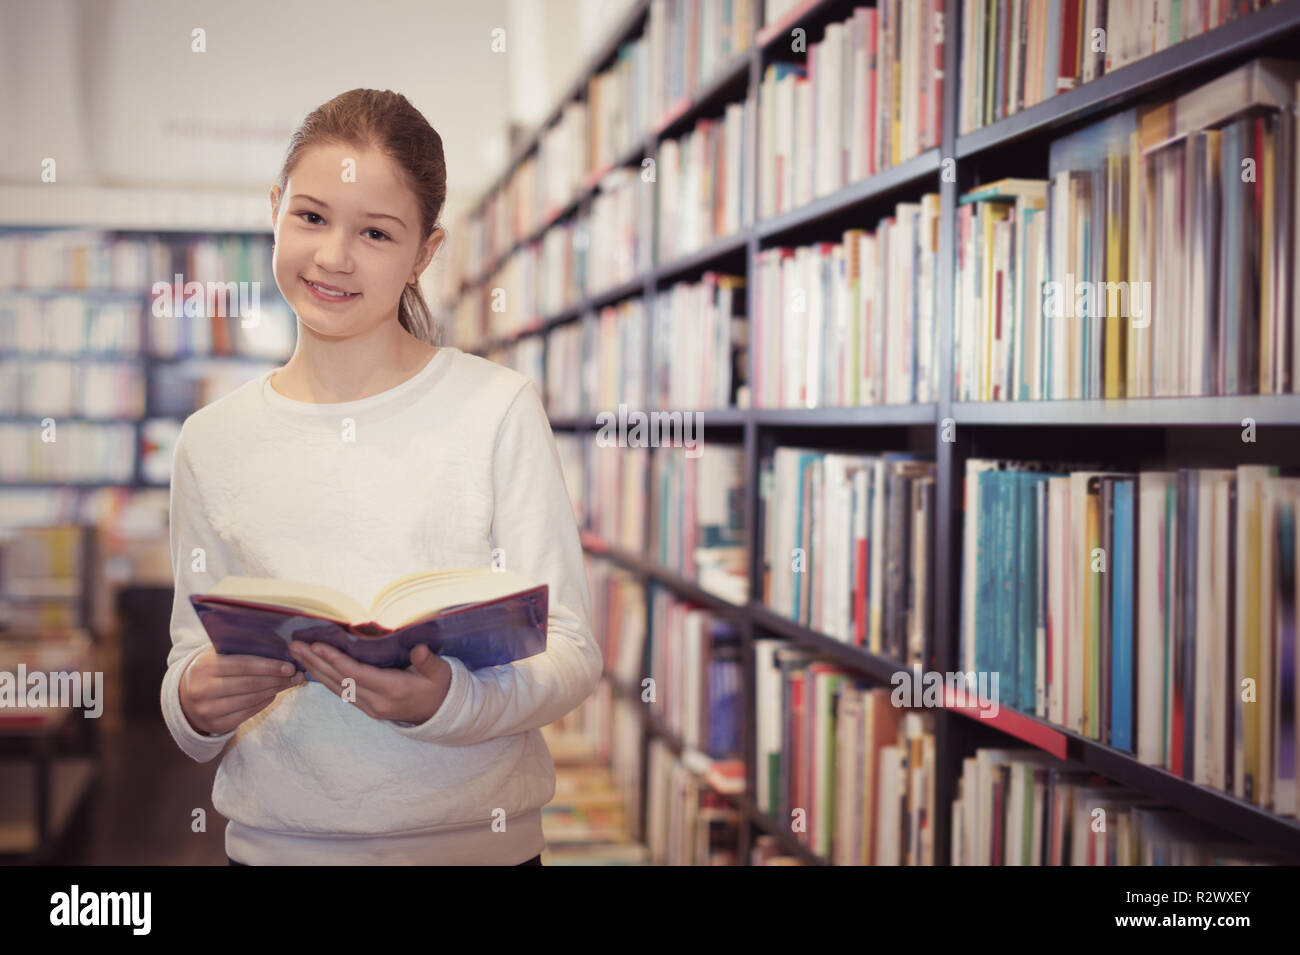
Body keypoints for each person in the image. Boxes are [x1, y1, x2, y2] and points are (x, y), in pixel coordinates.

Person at [159, 88, 602, 866]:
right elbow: (188, 665)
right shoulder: (210, 440)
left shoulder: (497, 407)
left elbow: (570, 650)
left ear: (424, 253)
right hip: (275, 851)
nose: (334, 256)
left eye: (375, 232)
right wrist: (194, 701)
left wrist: (448, 701)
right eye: (311, 216)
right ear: (275, 209)